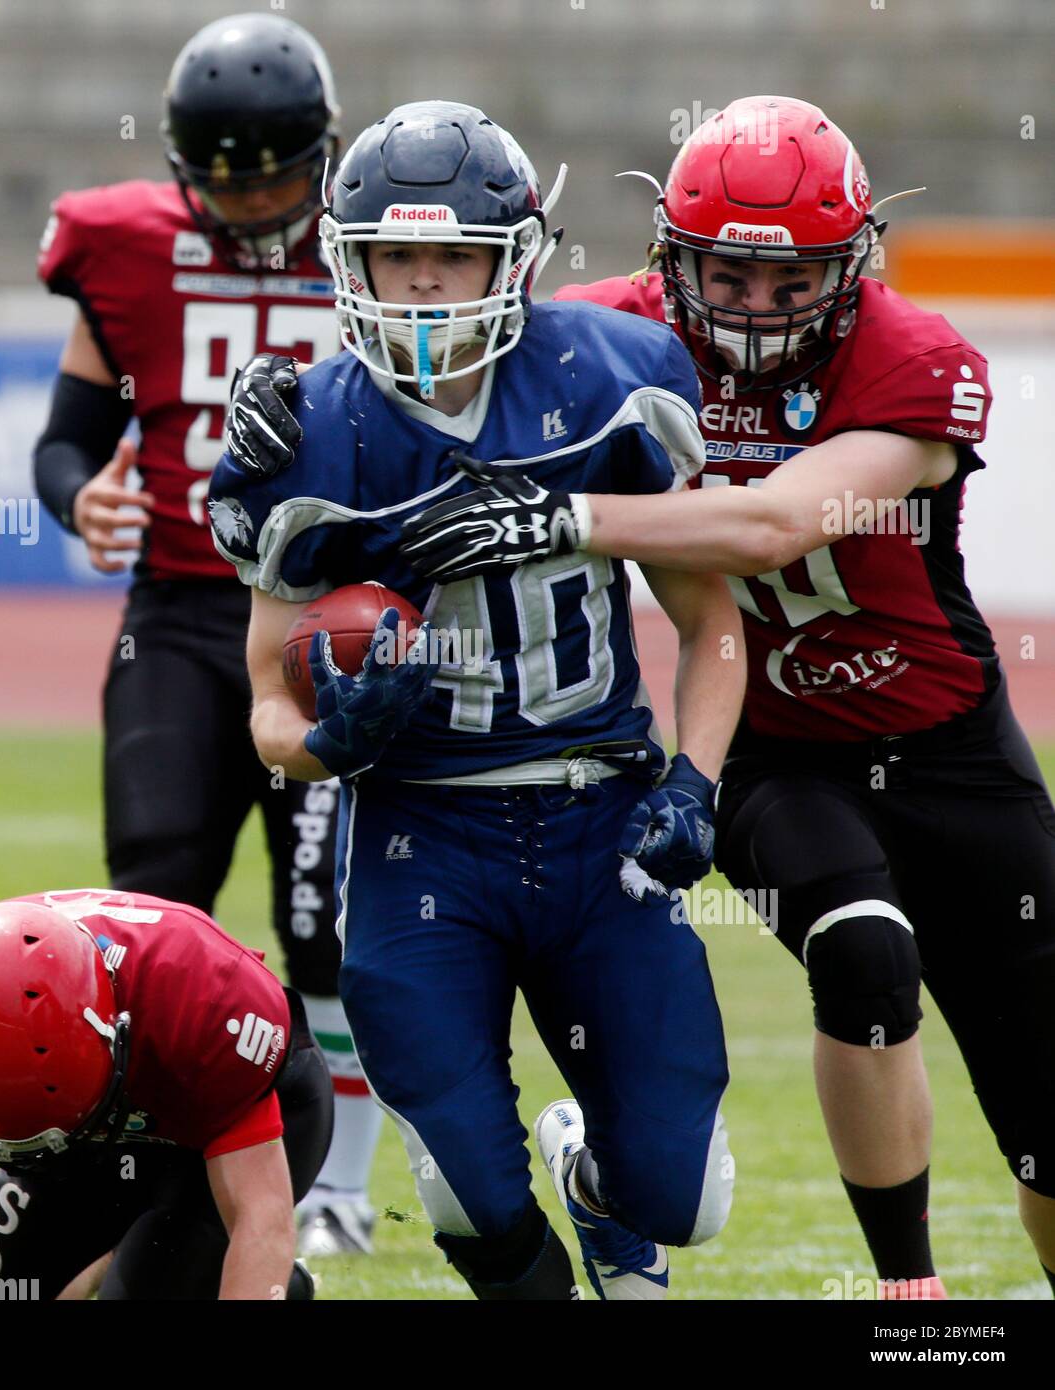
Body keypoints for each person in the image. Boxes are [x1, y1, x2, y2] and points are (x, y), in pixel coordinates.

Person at [394, 96, 1055, 1298]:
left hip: (948, 743)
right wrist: (298, 398)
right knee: (862, 956)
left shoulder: (914, 359)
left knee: (1047, 1123)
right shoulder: (614, 334)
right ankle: (908, 1295)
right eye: (725, 278)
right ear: (669, 259)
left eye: (788, 281)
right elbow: (450, 337)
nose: (752, 310)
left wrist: (570, 514)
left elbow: (778, 524)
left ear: (852, 265)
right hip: (761, 750)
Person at [208, 100, 741, 1300]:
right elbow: (263, 707)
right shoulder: (309, 434)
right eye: (397, 256)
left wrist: (695, 781)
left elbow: (712, 622)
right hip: (419, 830)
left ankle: (604, 1200)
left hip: (600, 816)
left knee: (684, 1199)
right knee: (469, 1202)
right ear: (350, 262)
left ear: (516, 258)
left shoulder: (614, 379)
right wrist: (328, 743)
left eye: (453, 253)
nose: (425, 286)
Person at [30, 13, 380, 1256]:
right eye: (225, 179)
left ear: (324, 154)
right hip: (181, 611)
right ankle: (164, 1162)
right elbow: (67, 434)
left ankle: (336, 1177)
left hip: (334, 620)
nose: (251, 203)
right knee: (154, 893)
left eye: (277, 175)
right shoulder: (125, 247)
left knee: (327, 919)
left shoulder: (385, 236)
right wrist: (80, 492)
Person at [0, 889, 331, 1300]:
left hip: (207, 1129)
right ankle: (113, 1256)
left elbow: (257, 1215)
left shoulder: (203, 1005)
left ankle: (280, 1285)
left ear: (109, 1035)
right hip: (78, 1155)